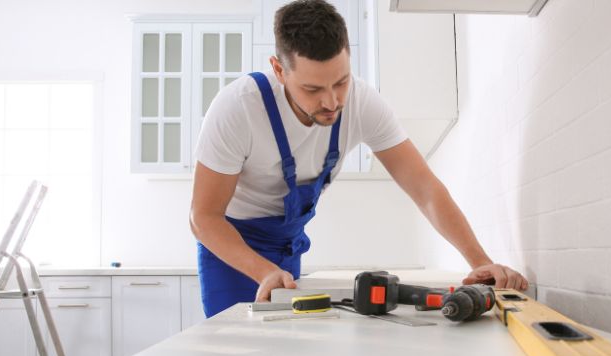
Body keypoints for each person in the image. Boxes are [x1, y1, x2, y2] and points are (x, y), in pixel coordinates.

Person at [189, 0, 528, 317]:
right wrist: (262, 270)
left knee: (283, 353)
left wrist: (481, 262)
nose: (332, 101)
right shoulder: (238, 109)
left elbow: (424, 188)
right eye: (312, 89)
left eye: (341, 81)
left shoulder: (363, 104)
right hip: (229, 247)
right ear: (279, 70)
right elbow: (204, 217)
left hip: (287, 248)